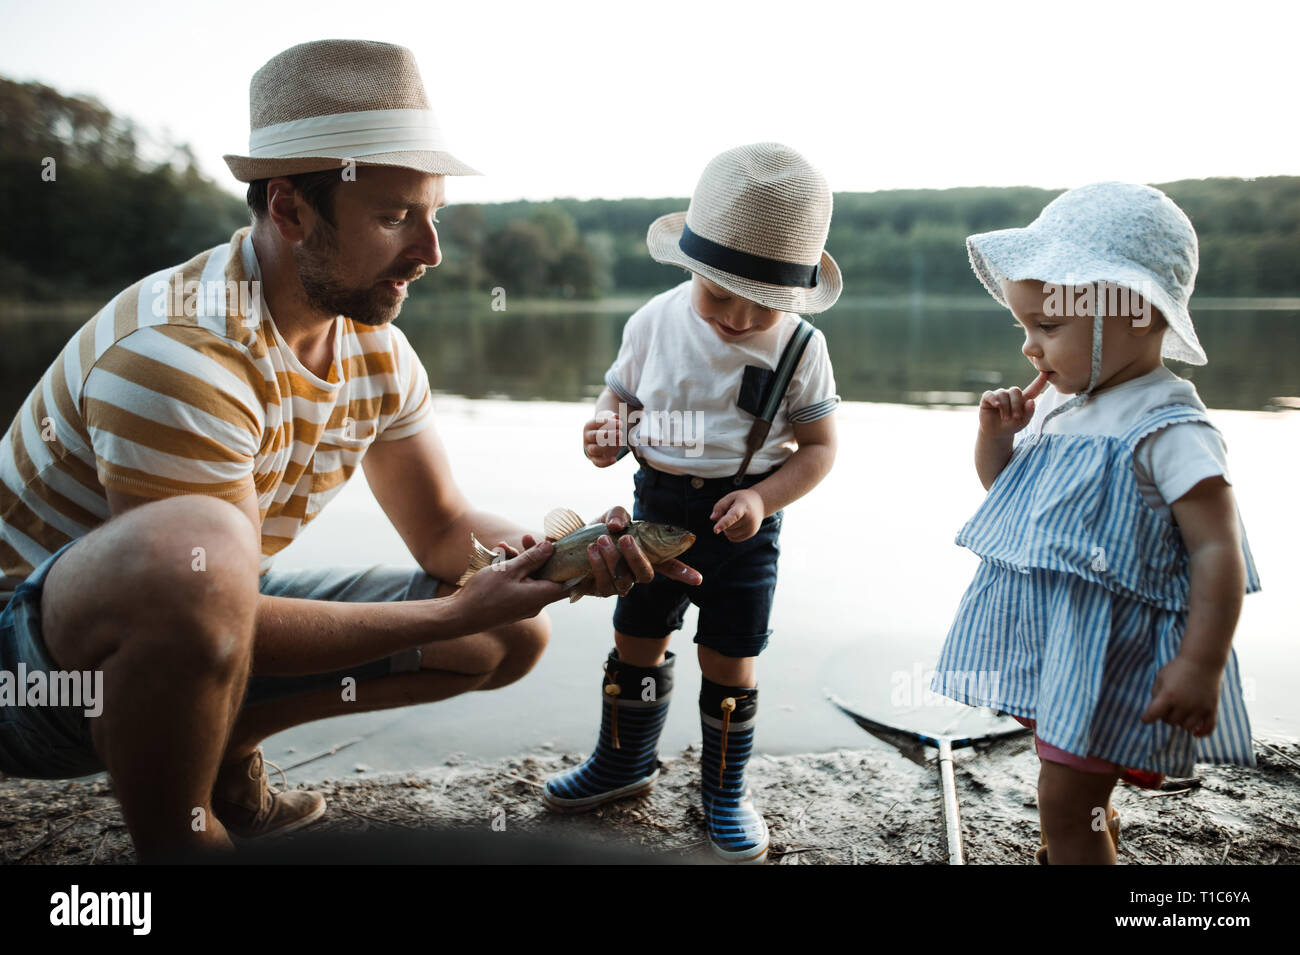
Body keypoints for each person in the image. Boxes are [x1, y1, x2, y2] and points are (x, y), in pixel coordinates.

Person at [0, 39, 697, 862]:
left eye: (434, 214)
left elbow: (443, 529)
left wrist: (566, 561)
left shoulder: (373, 348)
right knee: (200, 551)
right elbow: (186, 592)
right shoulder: (178, 348)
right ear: (290, 209)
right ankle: (183, 842)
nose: (432, 252)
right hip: (32, 675)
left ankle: (221, 754)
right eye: (397, 217)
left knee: (507, 634)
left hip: (193, 624)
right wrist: (448, 610)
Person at [930, 182, 1261, 865]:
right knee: (1074, 792)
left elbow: (1215, 550)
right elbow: (1014, 503)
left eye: (1047, 327)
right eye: (1024, 327)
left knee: (1064, 799)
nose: (1029, 347)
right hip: (1061, 654)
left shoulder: (1168, 427)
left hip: (1115, 663)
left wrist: (1201, 665)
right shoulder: (1060, 408)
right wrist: (996, 439)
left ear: (1133, 312)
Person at [542, 143, 842, 863]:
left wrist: (763, 498)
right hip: (656, 508)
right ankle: (623, 762)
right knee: (636, 635)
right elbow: (621, 393)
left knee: (729, 658)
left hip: (744, 524)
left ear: (794, 297)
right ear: (689, 269)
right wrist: (607, 425)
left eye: (761, 302)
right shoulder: (653, 321)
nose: (738, 317)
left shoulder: (802, 348)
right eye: (719, 295)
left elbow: (821, 450)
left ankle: (724, 791)